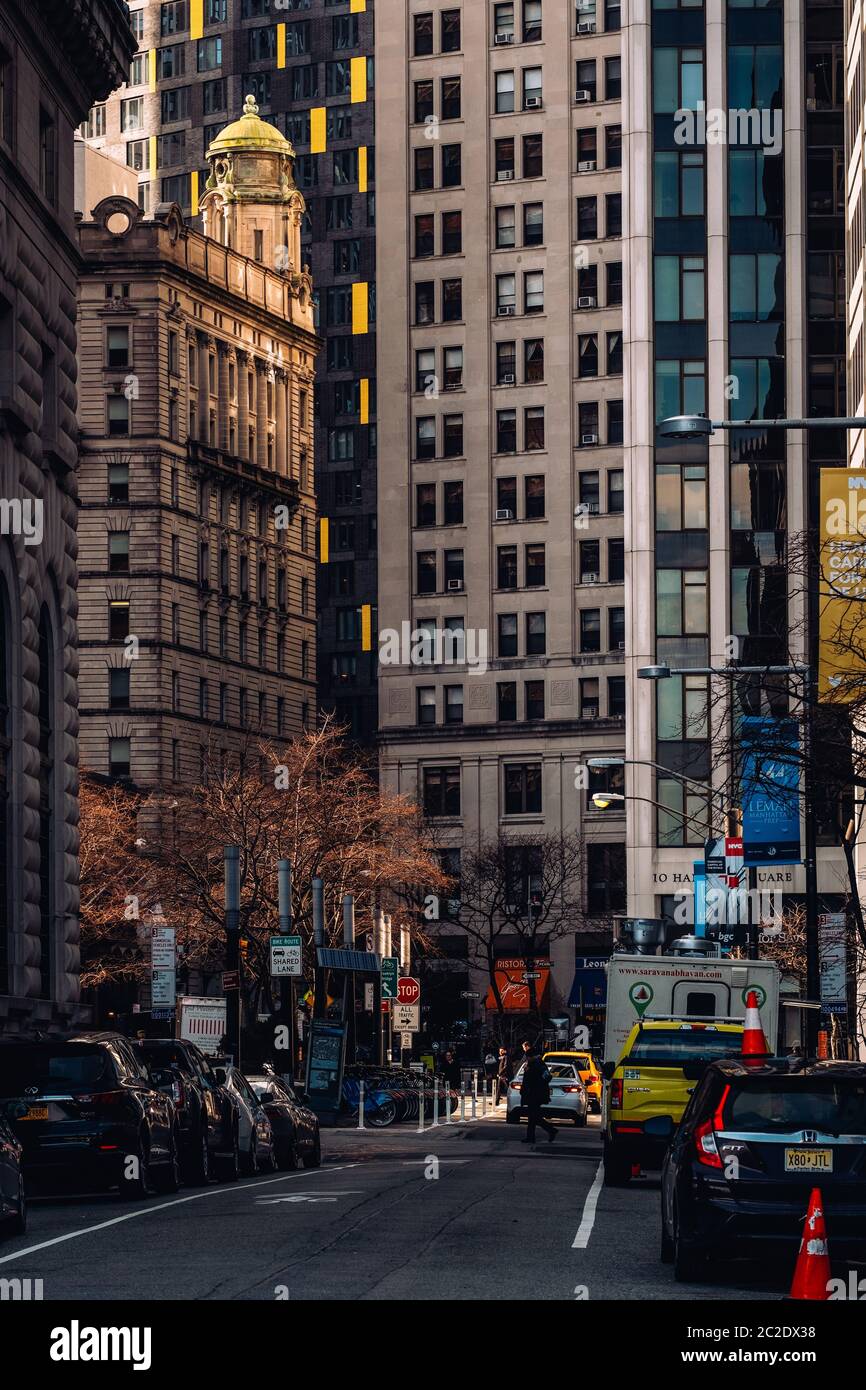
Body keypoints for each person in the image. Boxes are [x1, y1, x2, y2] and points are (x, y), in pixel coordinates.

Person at [520, 1046, 556, 1144]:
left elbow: (547, 1077)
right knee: (533, 1116)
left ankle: (550, 1130)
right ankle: (532, 1136)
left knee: (533, 1116)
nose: (527, 1059)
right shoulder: (533, 1064)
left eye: (527, 1057)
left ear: (531, 1056)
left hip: (535, 1094)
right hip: (532, 1093)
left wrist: (537, 1085)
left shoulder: (538, 1064)